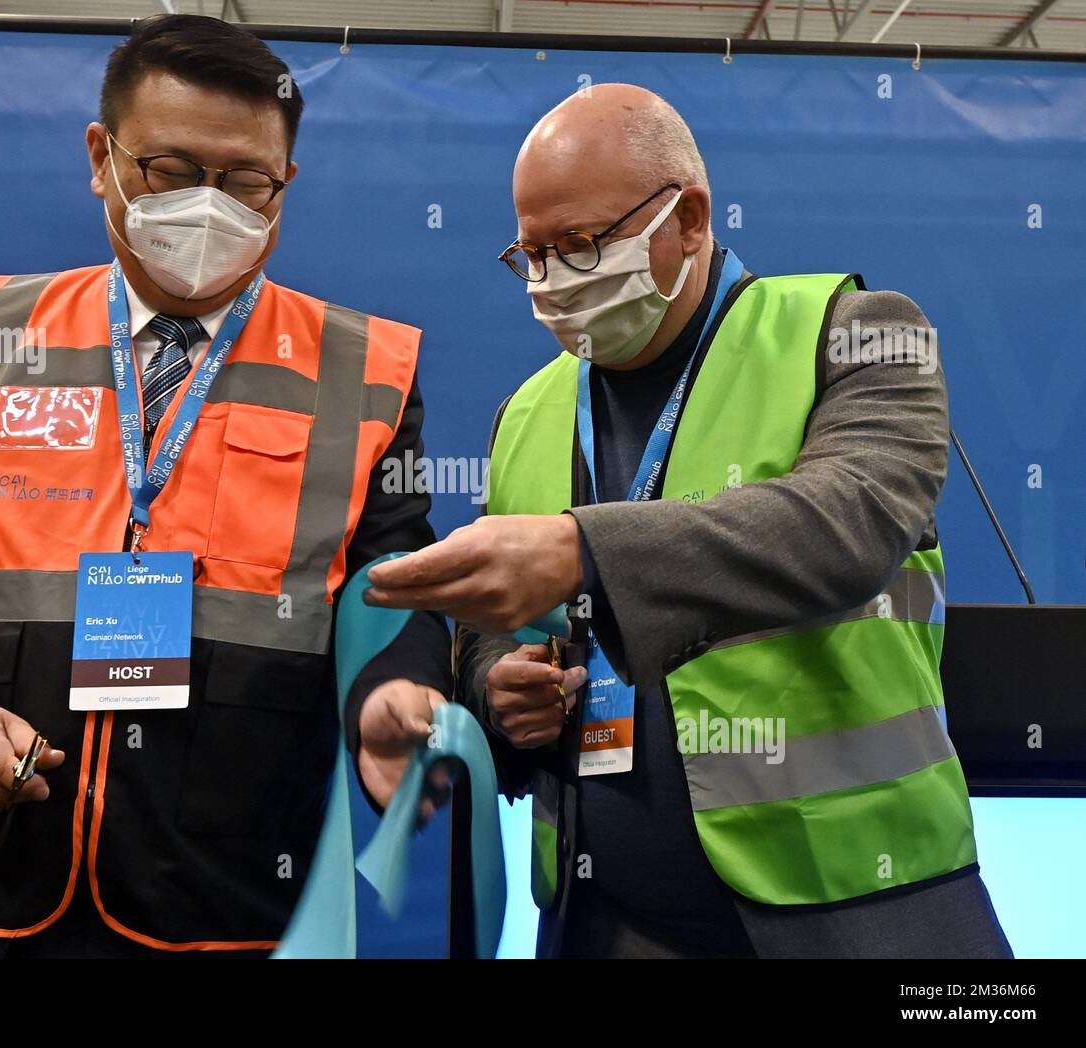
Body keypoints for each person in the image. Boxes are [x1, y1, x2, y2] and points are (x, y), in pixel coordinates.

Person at [0, 14, 448, 959]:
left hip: (228, 903)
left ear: (286, 183)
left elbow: (391, 579)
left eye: (245, 180)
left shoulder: (363, 369)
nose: (210, 206)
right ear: (101, 157)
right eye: (171, 169)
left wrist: (392, 692)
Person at [365, 84, 1013, 959]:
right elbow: (502, 627)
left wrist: (583, 551)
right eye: (533, 255)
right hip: (597, 920)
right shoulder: (526, 411)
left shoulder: (856, 335)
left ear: (692, 218)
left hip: (860, 909)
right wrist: (495, 684)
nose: (554, 280)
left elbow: (847, 522)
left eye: (584, 244)